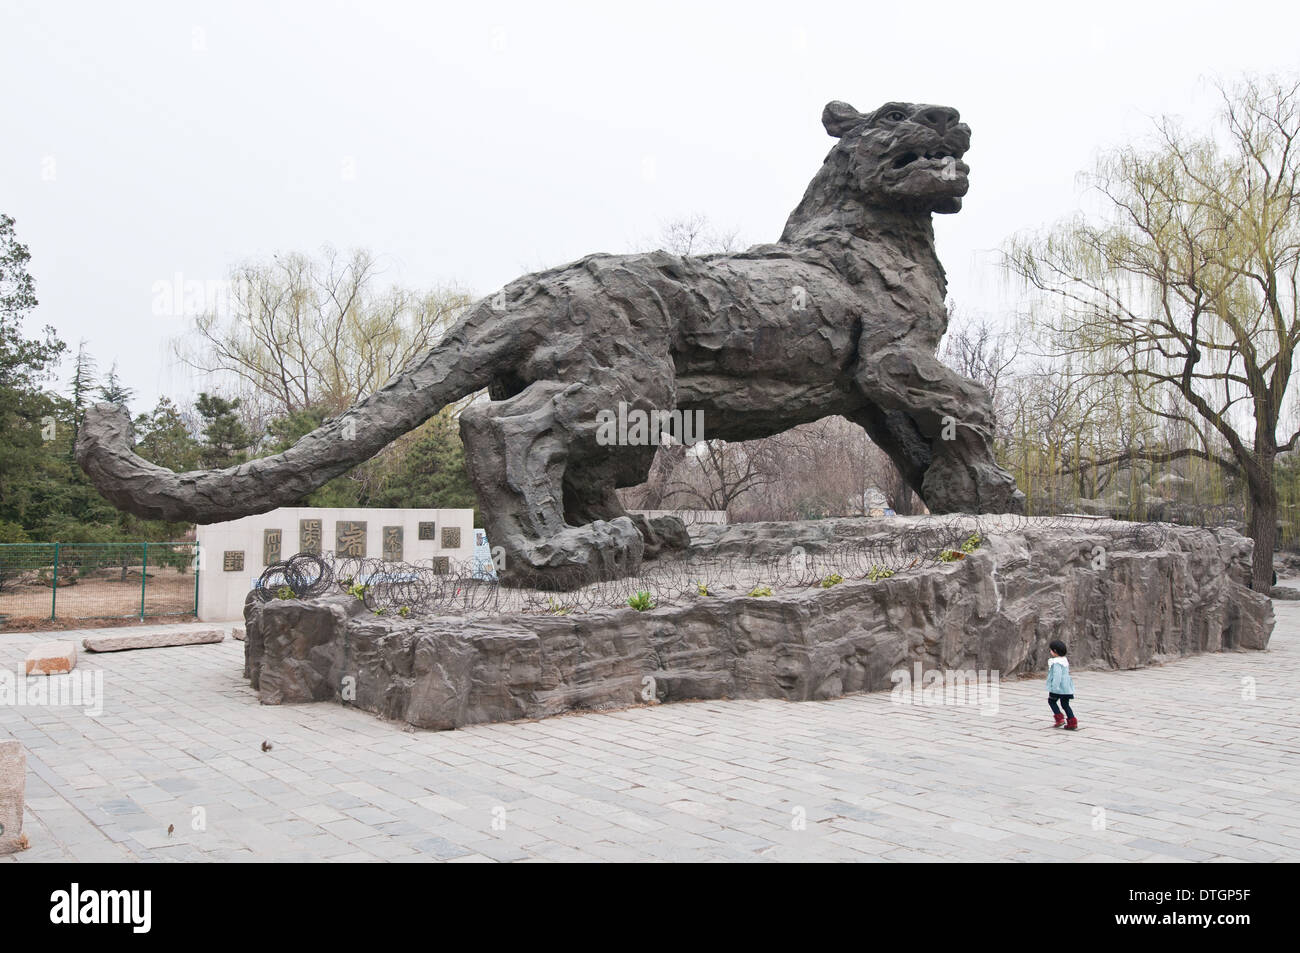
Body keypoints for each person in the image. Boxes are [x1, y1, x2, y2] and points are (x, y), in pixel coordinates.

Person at [1047, 640, 1078, 730]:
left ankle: (1059, 719)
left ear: (1055, 651)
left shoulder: (1056, 662)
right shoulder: (1064, 660)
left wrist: (1054, 687)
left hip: (1058, 688)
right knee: (1065, 704)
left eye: (1051, 650)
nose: (1050, 652)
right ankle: (1072, 722)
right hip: (1067, 688)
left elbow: (1057, 676)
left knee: (1051, 701)